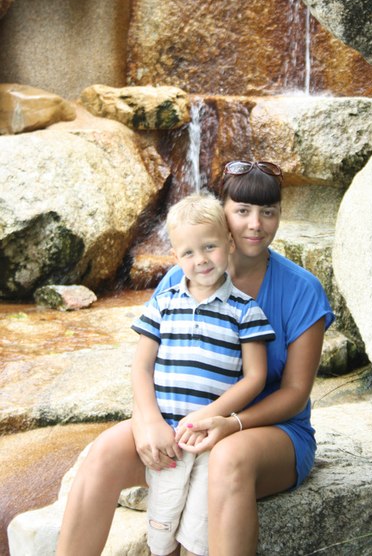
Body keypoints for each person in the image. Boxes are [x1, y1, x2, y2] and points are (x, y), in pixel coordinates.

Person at [56, 160, 334, 556]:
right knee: (104, 452)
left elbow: (294, 393)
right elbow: (149, 364)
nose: (255, 224)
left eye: (268, 212)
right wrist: (147, 421)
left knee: (228, 458)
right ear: (223, 214)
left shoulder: (303, 290)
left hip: (269, 433)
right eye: (242, 211)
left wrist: (231, 423)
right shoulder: (180, 278)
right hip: (184, 426)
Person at [131, 193, 274, 556]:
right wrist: (151, 422)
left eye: (210, 246)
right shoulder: (163, 303)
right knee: (162, 533)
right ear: (175, 257)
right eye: (188, 253)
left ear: (229, 243)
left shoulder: (246, 311)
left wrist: (210, 415)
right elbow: (141, 367)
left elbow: (255, 377)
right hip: (168, 439)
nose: (201, 260)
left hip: (212, 441)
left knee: (199, 534)